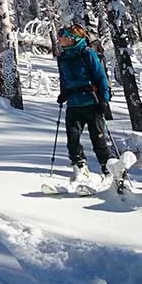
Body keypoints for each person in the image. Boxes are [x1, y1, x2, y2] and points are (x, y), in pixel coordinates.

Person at [55, 25, 113, 180]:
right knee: (72, 139)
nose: (59, 39)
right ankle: (79, 166)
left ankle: (109, 168)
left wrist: (104, 100)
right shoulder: (62, 58)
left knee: (98, 139)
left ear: (72, 38)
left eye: (62, 36)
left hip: (92, 103)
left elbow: (101, 77)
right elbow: (64, 79)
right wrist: (63, 93)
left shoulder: (87, 54)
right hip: (73, 104)